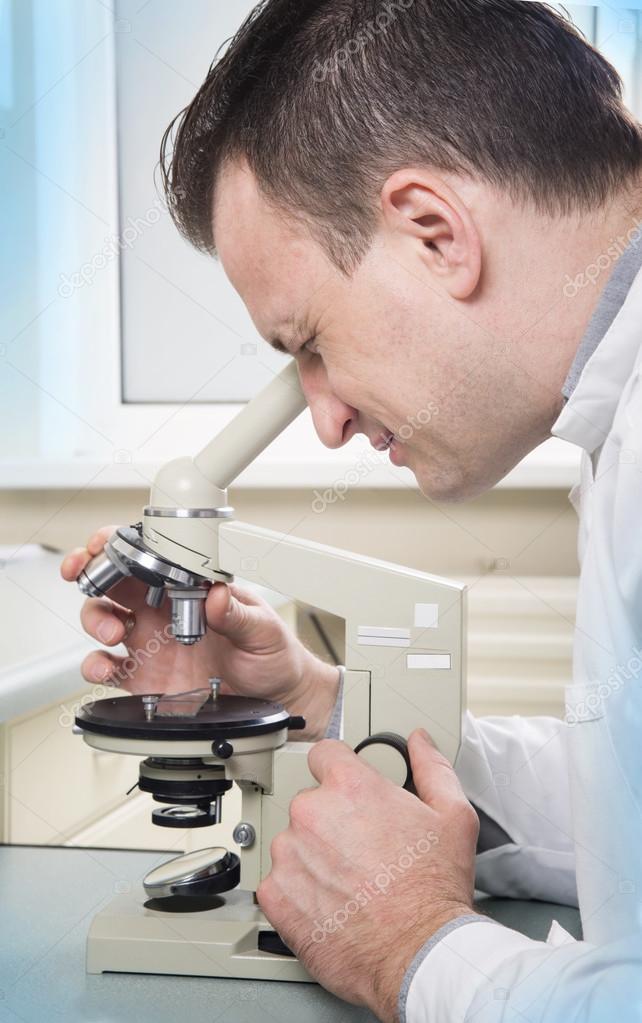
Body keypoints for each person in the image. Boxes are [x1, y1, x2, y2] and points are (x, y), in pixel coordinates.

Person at [61, 1, 642, 1019]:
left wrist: (413, 947)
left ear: (434, 231)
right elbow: (620, 799)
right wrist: (317, 702)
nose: (324, 422)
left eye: (311, 343)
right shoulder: (613, 420)